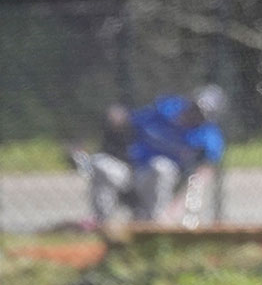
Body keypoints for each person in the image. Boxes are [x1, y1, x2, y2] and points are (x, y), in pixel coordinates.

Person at [80, 85, 226, 227]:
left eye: (201, 114)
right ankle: (102, 225)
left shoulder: (208, 136)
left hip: (160, 182)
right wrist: (117, 119)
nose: (194, 114)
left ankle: (154, 226)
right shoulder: (165, 110)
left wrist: (176, 207)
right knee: (100, 163)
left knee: (161, 167)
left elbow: (204, 173)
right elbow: (129, 121)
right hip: (130, 171)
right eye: (194, 108)